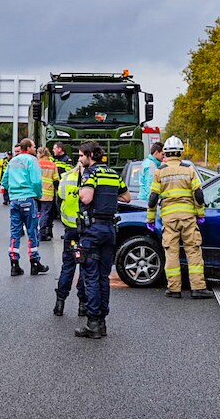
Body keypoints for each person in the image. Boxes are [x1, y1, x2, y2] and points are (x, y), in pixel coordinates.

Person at [74, 140, 129, 339]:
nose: (79, 160)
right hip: (109, 230)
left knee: (91, 277)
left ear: (90, 156)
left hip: (93, 231)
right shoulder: (113, 174)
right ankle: (103, 323)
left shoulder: (91, 173)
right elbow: (127, 197)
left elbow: (87, 198)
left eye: (81, 156)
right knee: (103, 277)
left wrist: (80, 188)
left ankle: (93, 323)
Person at [147, 136, 211, 300]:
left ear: (166, 152)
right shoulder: (189, 169)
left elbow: (153, 198)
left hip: (169, 219)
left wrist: (151, 219)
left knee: (171, 253)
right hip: (188, 217)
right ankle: (198, 288)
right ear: (180, 152)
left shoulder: (159, 171)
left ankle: (174, 289)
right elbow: (198, 194)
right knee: (193, 251)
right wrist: (201, 214)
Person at [4, 138, 48, 276]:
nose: (35, 149)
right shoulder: (31, 160)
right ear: (28, 148)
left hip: (15, 200)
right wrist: (38, 194)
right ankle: (35, 263)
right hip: (28, 199)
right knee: (32, 231)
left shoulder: (12, 161)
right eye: (34, 146)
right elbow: (36, 181)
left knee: (15, 232)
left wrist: (13, 192)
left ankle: (14, 264)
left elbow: (4, 181)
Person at [53, 161, 87, 317]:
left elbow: (59, 199)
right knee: (85, 267)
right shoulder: (91, 178)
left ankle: (59, 304)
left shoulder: (66, 177)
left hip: (70, 229)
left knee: (68, 265)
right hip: (85, 230)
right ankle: (82, 305)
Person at [36, 147, 60, 241]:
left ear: (40, 153)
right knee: (45, 214)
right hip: (48, 194)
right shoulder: (52, 165)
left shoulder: (36, 164)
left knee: (36, 214)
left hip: (36, 193)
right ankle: (42, 233)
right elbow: (56, 180)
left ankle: (35, 233)